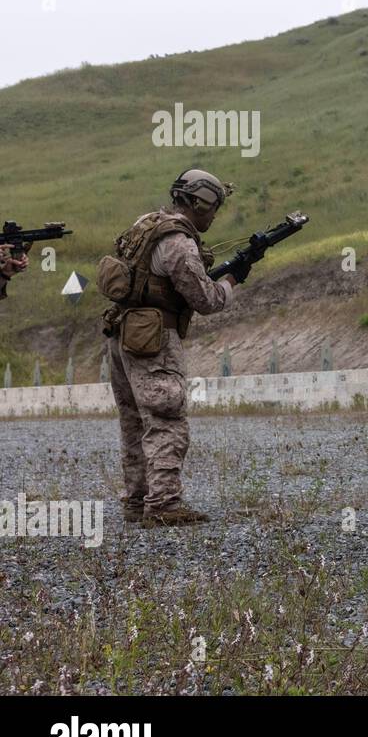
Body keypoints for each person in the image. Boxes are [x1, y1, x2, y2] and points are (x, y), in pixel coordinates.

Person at [102, 169, 243, 526]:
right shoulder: (179, 242)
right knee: (165, 419)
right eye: (213, 208)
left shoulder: (145, 224)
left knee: (133, 422)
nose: (213, 216)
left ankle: (137, 501)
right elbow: (206, 299)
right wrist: (230, 282)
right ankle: (164, 505)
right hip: (153, 340)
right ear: (199, 203)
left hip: (120, 335)